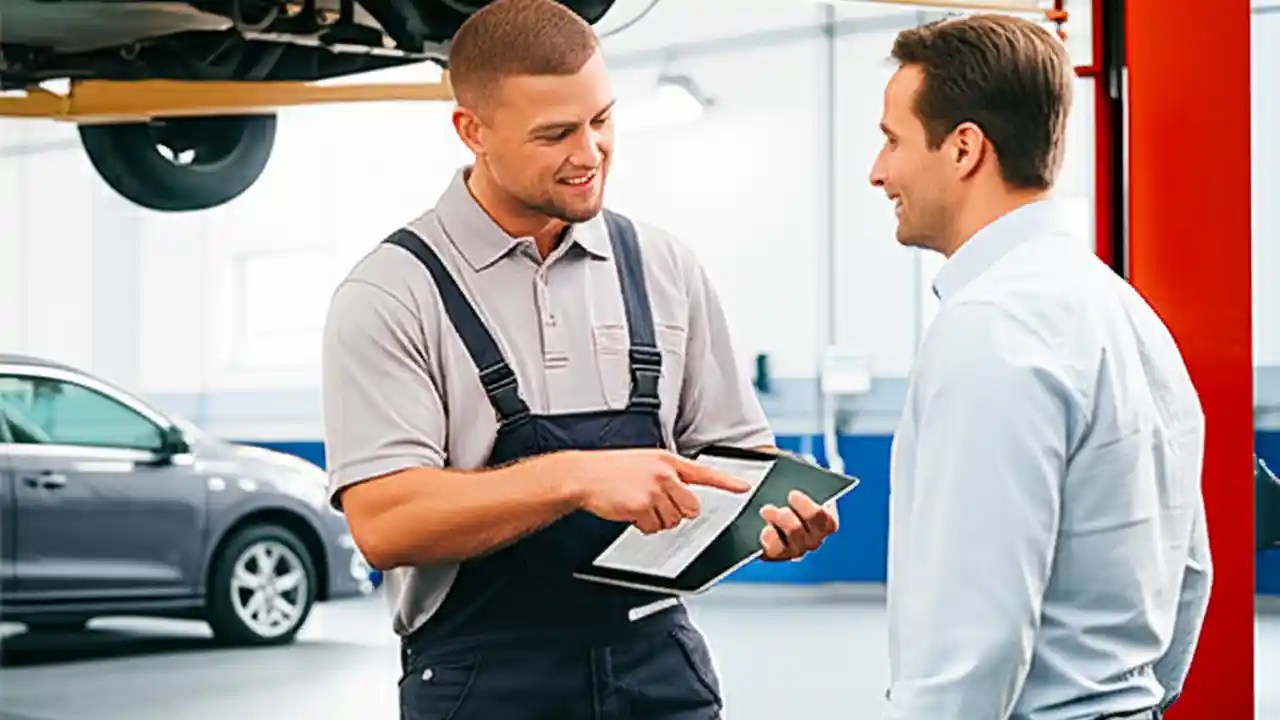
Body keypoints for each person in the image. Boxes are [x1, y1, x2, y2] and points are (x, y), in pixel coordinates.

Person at [320, 0, 839, 717]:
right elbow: (385, 522)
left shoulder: (662, 266)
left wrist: (772, 520)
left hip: (659, 667)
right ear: (473, 131)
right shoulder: (392, 292)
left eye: (602, 120)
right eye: (556, 133)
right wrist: (573, 478)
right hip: (484, 682)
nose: (590, 152)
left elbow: (733, 456)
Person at [869, 14, 1211, 720]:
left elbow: (972, 646)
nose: (879, 172)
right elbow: (1189, 572)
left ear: (964, 148)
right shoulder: (1123, 310)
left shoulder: (992, 329)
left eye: (892, 140)